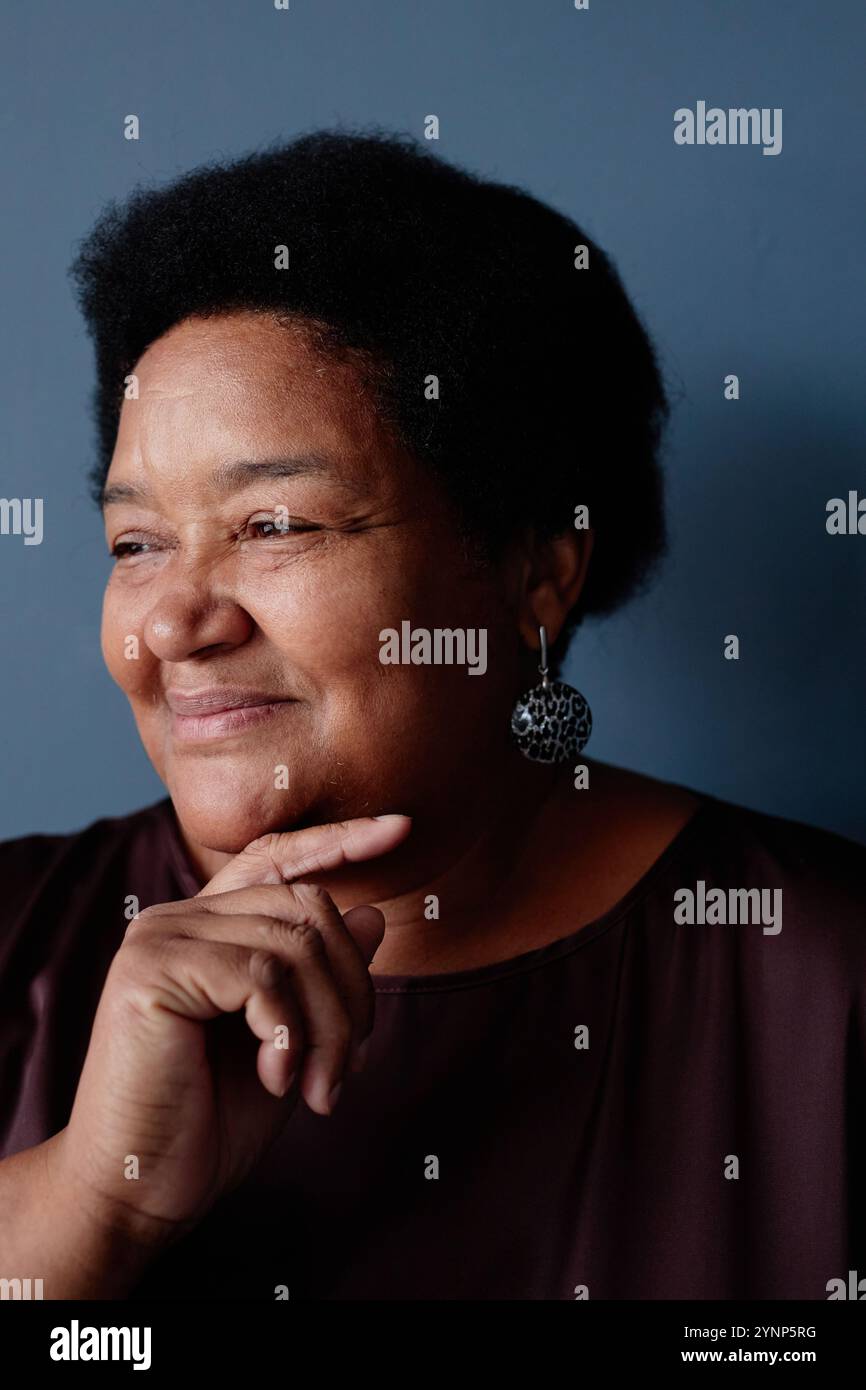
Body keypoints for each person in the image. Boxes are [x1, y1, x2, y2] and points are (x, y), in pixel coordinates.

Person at [0, 129, 863, 1301]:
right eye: (136, 543)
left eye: (276, 526)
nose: (171, 623)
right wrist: (90, 1202)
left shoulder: (820, 977)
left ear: (531, 577)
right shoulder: (17, 944)